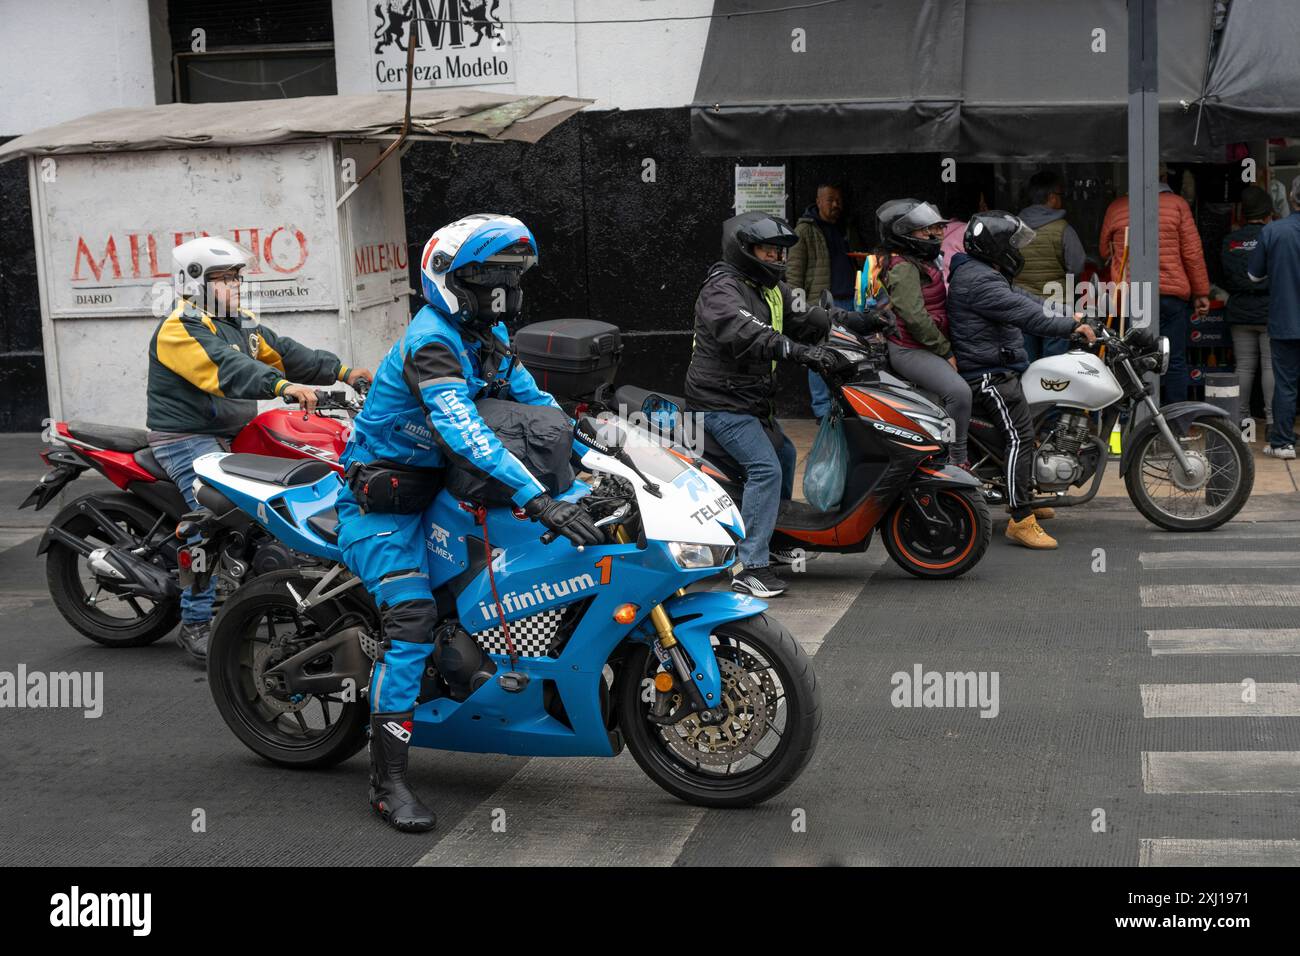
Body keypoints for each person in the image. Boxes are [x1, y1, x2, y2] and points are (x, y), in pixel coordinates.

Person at [336, 214, 602, 833]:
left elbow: (535, 403)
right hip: (385, 503)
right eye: (487, 278)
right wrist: (537, 497)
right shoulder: (432, 342)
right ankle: (389, 780)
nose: (501, 291)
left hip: (445, 491)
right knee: (411, 620)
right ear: (449, 279)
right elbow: (464, 429)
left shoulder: (491, 332)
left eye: (510, 278)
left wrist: (604, 457)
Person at [147, 237, 369, 662]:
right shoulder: (181, 326)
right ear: (194, 283)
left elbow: (282, 352)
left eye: (235, 277)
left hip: (230, 432)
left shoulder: (240, 322)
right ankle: (195, 622)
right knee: (207, 520)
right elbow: (228, 368)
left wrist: (342, 371)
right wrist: (281, 387)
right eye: (223, 279)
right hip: (184, 437)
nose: (234, 285)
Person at [686, 212, 891, 597]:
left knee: (782, 454)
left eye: (781, 253)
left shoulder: (770, 289)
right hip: (720, 403)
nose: (778, 259)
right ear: (745, 250)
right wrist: (801, 353)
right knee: (765, 469)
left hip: (750, 401)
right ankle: (749, 564)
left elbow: (809, 317)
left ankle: (773, 537)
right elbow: (745, 332)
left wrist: (860, 322)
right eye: (769, 251)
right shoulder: (722, 289)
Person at [947, 212, 1096, 550]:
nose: (1017, 249)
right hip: (987, 374)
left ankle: (1025, 489)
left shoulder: (984, 273)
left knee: (1030, 427)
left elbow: (1029, 300)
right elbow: (1026, 314)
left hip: (999, 365)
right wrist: (1070, 328)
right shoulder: (979, 281)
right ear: (995, 246)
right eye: (1013, 243)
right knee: (1020, 436)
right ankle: (1020, 517)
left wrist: (1068, 313)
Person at [1099, 162, 1211, 404]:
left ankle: (1134, 424)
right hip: (1170, 294)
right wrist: (1201, 292)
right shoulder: (1178, 205)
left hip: (1132, 295)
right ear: (1163, 177)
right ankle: (1176, 424)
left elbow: (1102, 250)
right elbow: (1192, 253)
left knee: (1130, 360)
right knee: (1174, 359)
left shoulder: (1117, 207)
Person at [875, 198, 972, 467]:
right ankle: (956, 458)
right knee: (959, 393)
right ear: (904, 234)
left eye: (938, 228)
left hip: (929, 343)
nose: (936, 234)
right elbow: (915, 318)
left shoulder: (924, 261)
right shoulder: (904, 267)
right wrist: (946, 350)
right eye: (926, 230)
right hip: (910, 348)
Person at [787, 182, 864, 419]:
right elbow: (794, 272)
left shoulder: (847, 227)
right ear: (818, 201)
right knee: (820, 355)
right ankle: (822, 410)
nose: (835, 205)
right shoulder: (805, 230)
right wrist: (798, 310)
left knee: (851, 355)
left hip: (852, 302)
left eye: (838, 200)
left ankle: (847, 405)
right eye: (830, 199)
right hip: (821, 305)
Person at [1248, 176, 1300, 460]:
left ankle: (1282, 443)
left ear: (1292, 198)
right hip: (1285, 321)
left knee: (1286, 384)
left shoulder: (1274, 231)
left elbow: (1254, 275)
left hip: (1286, 321)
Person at [1015, 170, 1087, 363]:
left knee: (1026, 362)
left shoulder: (1015, 229)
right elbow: (1077, 265)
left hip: (1023, 307)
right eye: (1060, 195)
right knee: (1054, 366)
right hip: (1056, 307)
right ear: (1051, 197)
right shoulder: (1063, 228)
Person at [1221, 184, 1273, 433]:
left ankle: (1239, 420)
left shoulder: (1230, 241)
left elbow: (1223, 275)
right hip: (1269, 309)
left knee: (1243, 366)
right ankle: (1272, 421)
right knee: (1270, 366)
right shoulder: (1272, 235)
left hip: (1239, 309)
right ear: (1267, 212)